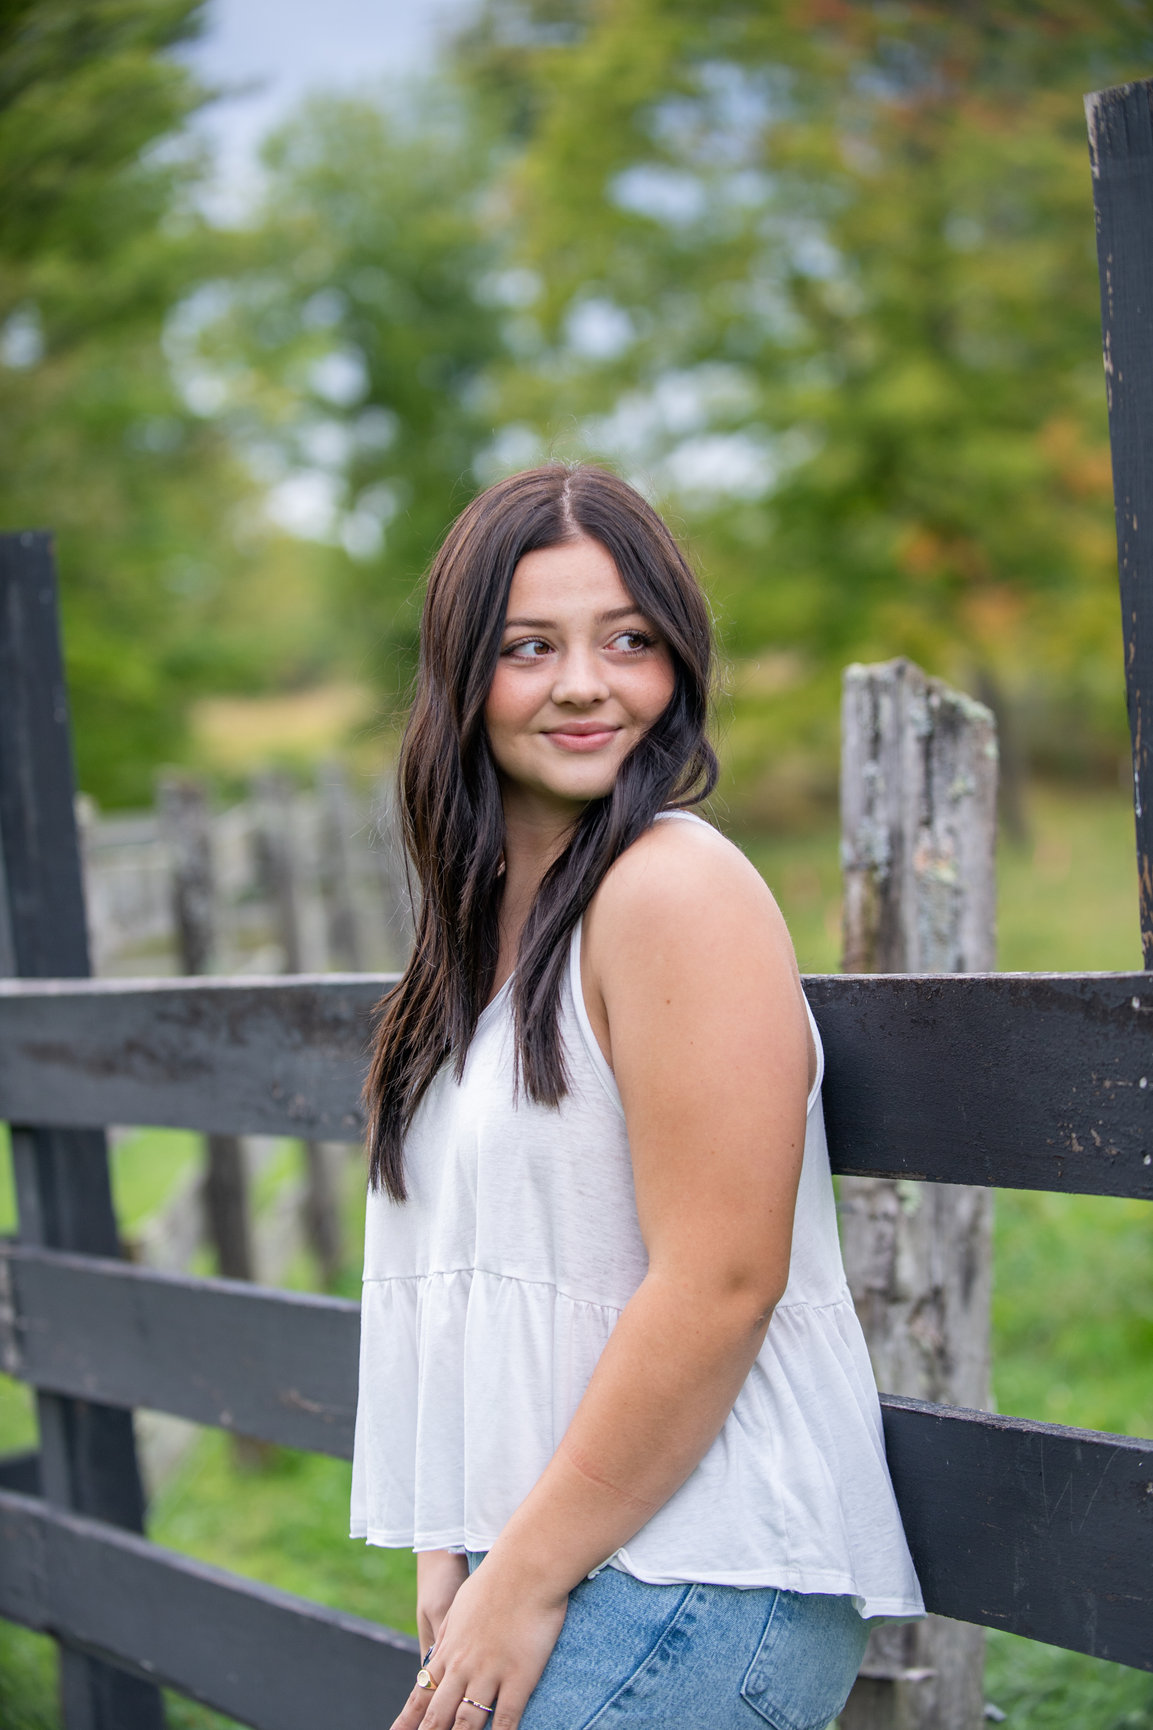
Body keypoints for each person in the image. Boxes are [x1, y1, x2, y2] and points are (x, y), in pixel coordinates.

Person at [351, 464, 923, 1730]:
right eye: (529, 646)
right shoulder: (480, 938)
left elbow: (722, 1277)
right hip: (567, 1550)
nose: (583, 683)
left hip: (701, 1564)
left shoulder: (673, 888)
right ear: (460, 675)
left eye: (628, 639)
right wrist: (456, 1539)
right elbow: (481, 1255)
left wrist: (520, 1573)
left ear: (678, 659)